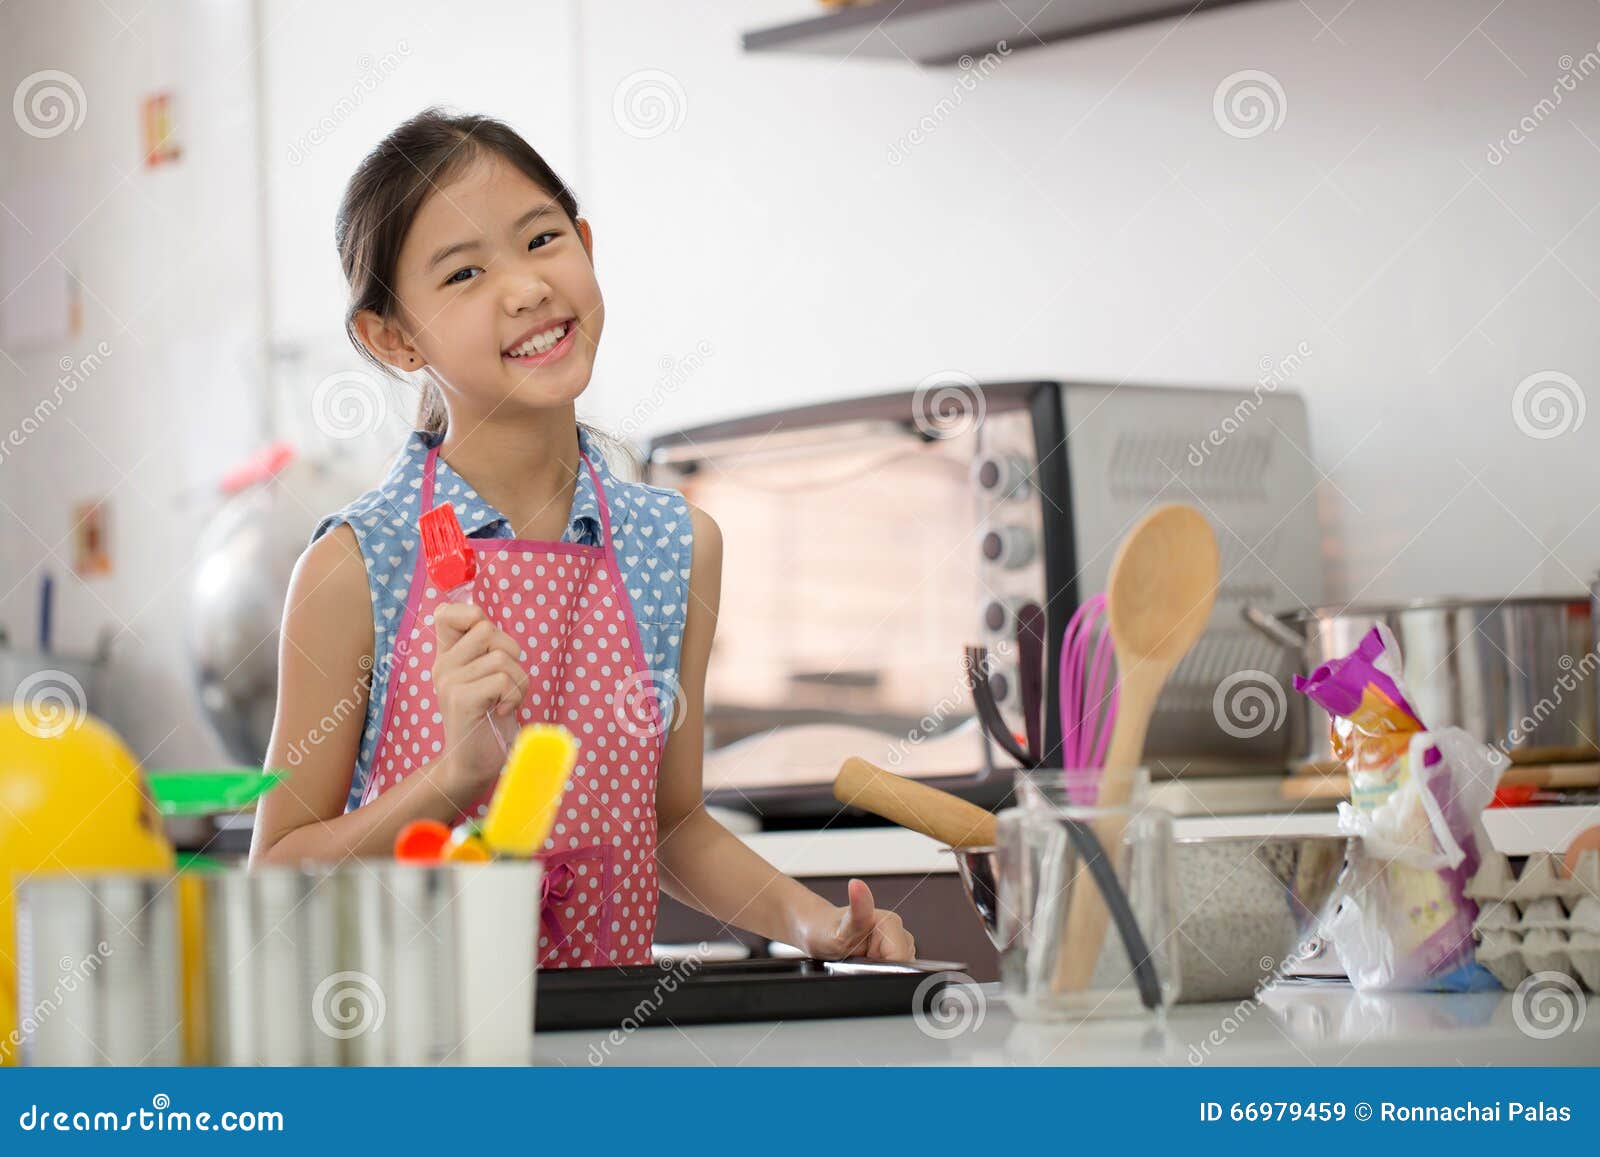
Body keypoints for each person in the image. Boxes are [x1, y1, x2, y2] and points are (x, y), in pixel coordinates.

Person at [250, 108, 916, 969]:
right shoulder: (355, 566)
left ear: (586, 243)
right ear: (394, 337)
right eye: (462, 274)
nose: (525, 287)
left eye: (541, 240)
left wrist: (816, 925)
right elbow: (277, 868)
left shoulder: (680, 547)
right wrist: (449, 782)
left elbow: (671, 823)